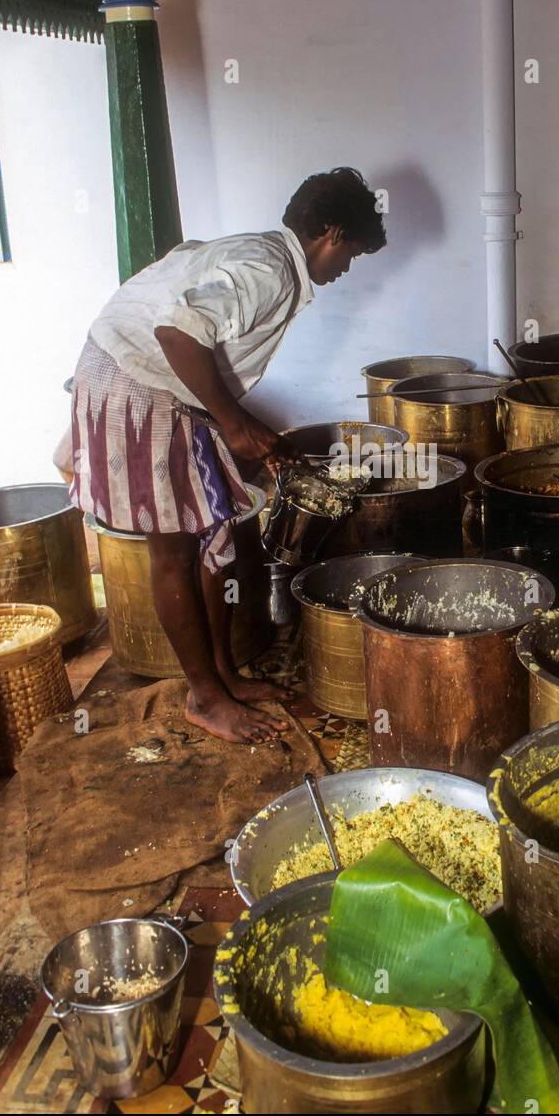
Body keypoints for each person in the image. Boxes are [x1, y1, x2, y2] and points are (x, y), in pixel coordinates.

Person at [69, 168, 386, 743]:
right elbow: (176, 334)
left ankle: (222, 674)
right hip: (135, 383)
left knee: (210, 534)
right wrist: (234, 423)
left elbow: (201, 343)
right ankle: (206, 698)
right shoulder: (269, 270)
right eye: (353, 255)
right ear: (332, 233)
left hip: (161, 384)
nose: (346, 269)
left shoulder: (265, 257)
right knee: (175, 551)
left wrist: (251, 427)